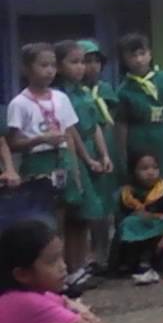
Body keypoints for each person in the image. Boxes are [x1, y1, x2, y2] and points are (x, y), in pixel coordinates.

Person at [7, 44, 101, 279]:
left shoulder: (61, 98)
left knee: (75, 215)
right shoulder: (19, 103)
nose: (49, 71)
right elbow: (13, 142)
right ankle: (49, 273)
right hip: (38, 161)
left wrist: (79, 166)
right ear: (27, 69)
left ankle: (75, 270)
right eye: (43, 65)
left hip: (64, 159)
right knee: (49, 220)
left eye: (52, 66)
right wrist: (39, 139)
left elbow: (69, 132)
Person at [51, 41, 111, 272]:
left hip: (92, 151)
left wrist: (104, 154)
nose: (81, 68)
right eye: (74, 62)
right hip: (73, 153)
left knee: (87, 215)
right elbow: (71, 130)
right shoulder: (59, 95)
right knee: (70, 216)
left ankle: (80, 266)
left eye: (83, 62)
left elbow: (94, 125)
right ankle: (65, 268)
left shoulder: (84, 92)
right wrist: (87, 159)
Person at [115, 33, 163, 189]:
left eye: (142, 54)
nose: (139, 60)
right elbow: (122, 126)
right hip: (139, 139)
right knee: (145, 181)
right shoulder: (123, 90)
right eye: (133, 55)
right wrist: (122, 155)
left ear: (150, 54)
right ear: (124, 59)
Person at [78, 40, 121, 268]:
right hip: (85, 148)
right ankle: (85, 257)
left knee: (105, 204)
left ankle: (103, 255)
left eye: (96, 61)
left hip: (106, 146)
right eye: (86, 61)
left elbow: (111, 120)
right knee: (87, 205)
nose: (92, 66)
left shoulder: (105, 89)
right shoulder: (73, 93)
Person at [116, 153, 163, 285]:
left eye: (154, 168)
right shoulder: (127, 193)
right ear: (134, 171)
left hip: (160, 227)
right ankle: (130, 262)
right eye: (144, 169)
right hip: (137, 228)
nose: (151, 172)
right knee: (129, 223)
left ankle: (147, 261)